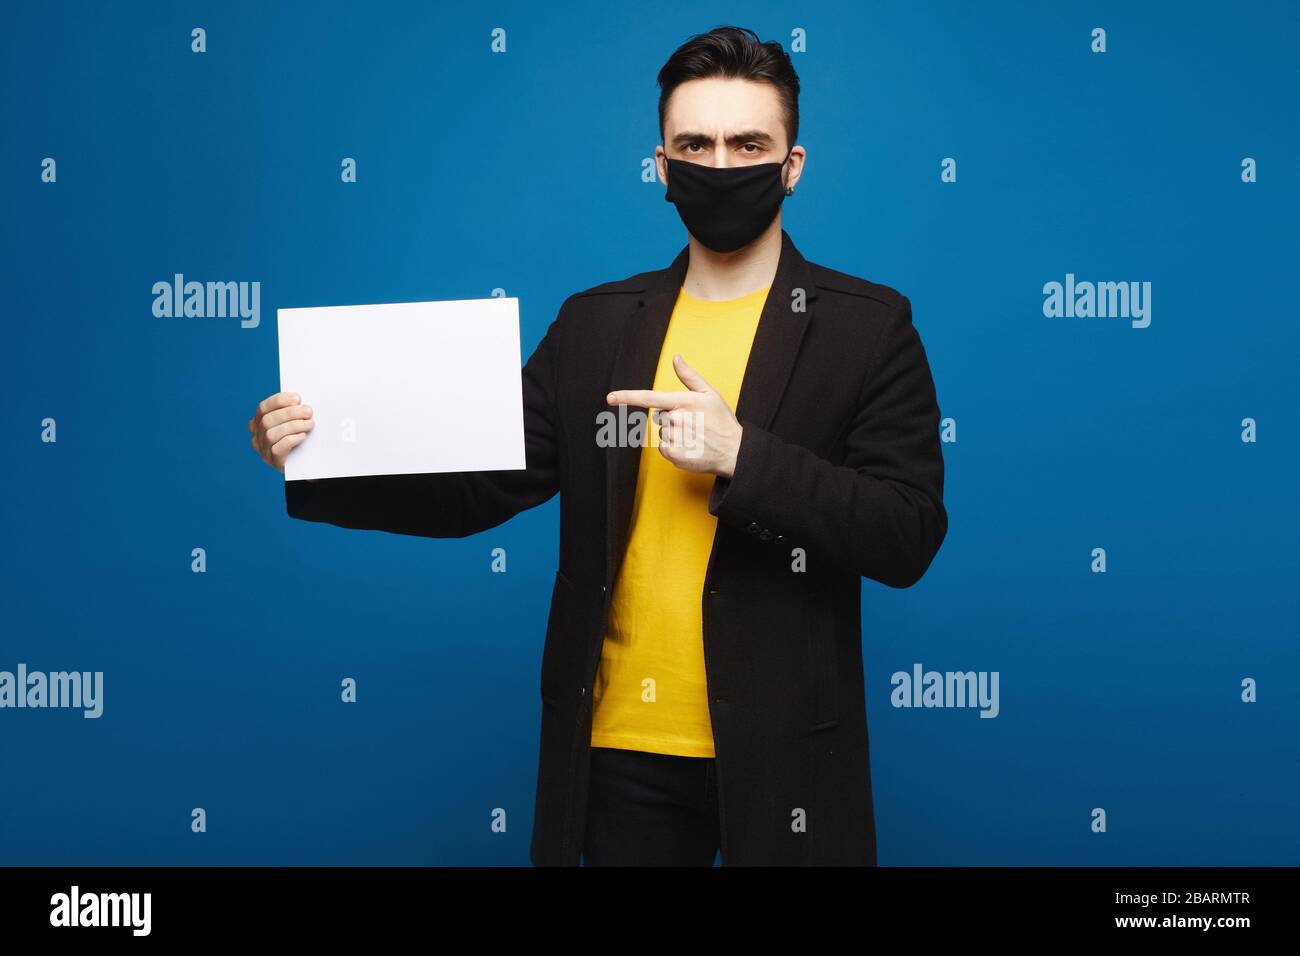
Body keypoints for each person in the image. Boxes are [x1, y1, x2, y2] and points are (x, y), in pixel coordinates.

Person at [248, 25, 947, 866]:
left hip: (788, 752)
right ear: (662, 165)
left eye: (747, 144)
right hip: (618, 750)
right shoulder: (594, 326)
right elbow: (479, 487)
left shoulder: (867, 327)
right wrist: (323, 455)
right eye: (696, 144)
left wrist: (742, 455)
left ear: (792, 165)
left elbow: (906, 532)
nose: (719, 165)